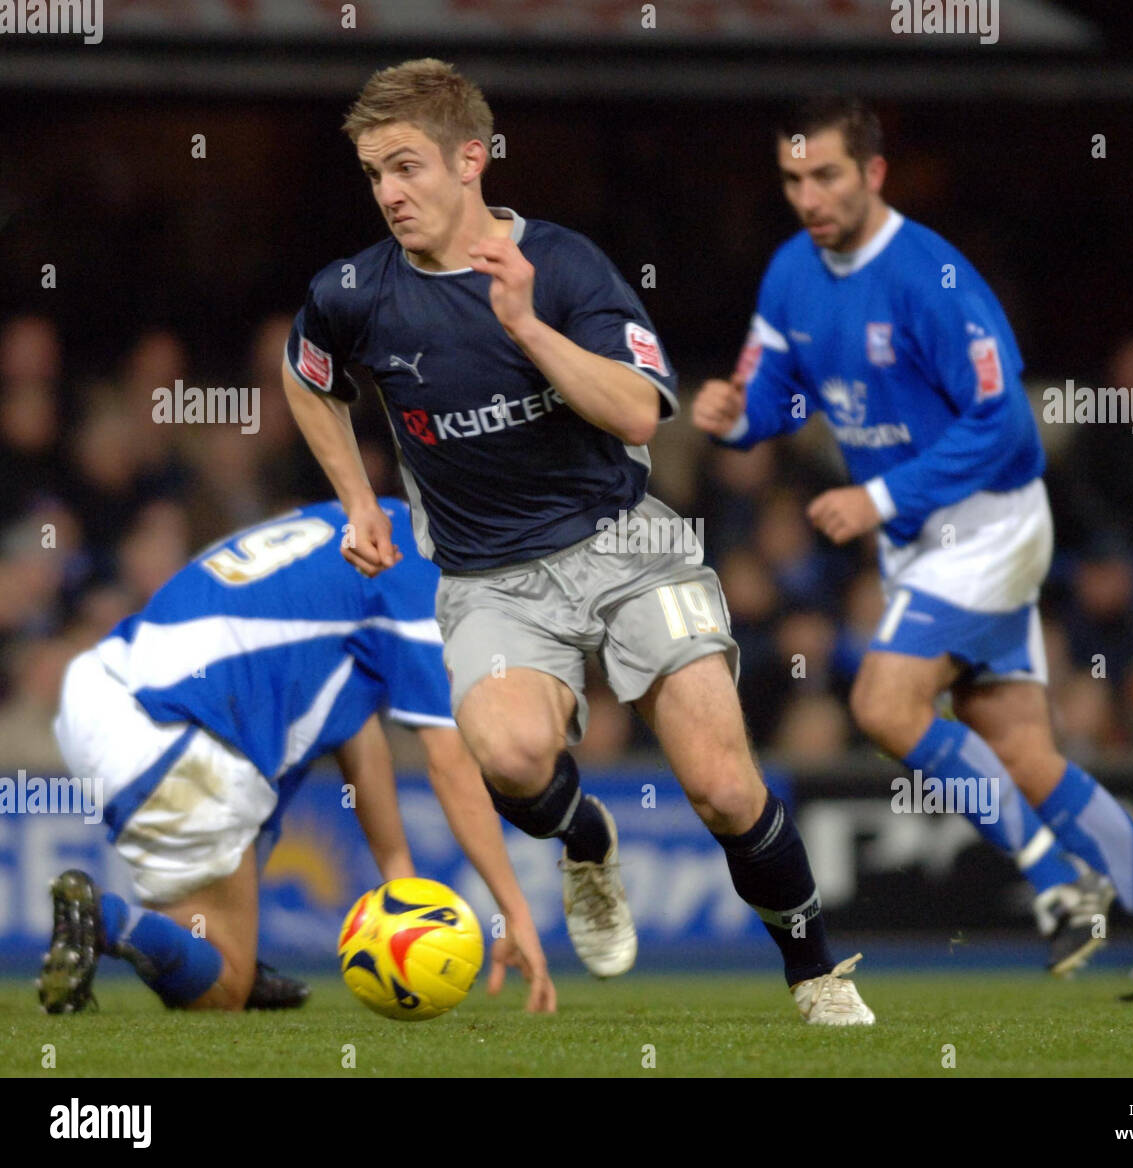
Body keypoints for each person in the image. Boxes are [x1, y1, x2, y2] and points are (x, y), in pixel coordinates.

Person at [282, 59, 873, 1025]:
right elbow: (305, 376)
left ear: (470, 159)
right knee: (511, 756)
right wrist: (355, 499)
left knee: (724, 789)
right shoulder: (353, 292)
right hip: (489, 576)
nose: (387, 193)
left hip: (625, 545)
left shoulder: (559, 266)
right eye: (373, 173)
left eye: (406, 167)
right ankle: (588, 841)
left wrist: (525, 327)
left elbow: (641, 411)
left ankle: (813, 973)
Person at [692, 96, 1133, 1001]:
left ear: (871, 173)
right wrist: (733, 416)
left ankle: (1059, 882)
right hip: (920, 542)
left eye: (825, 175)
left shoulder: (930, 277)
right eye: (792, 179)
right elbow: (768, 394)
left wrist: (877, 494)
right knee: (1025, 756)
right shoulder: (791, 271)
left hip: (988, 522)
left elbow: (1007, 426)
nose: (808, 196)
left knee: (881, 700)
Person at [41, 498, 556, 1015]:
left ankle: (198, 941)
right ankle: (108, 920)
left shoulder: (360, 518)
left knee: (279, 756)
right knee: (221, 993)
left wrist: (398, 871)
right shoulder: (424, 572)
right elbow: (451, 762)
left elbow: (357, 728)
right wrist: (515, 913)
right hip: (182, 739)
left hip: (101, 690)